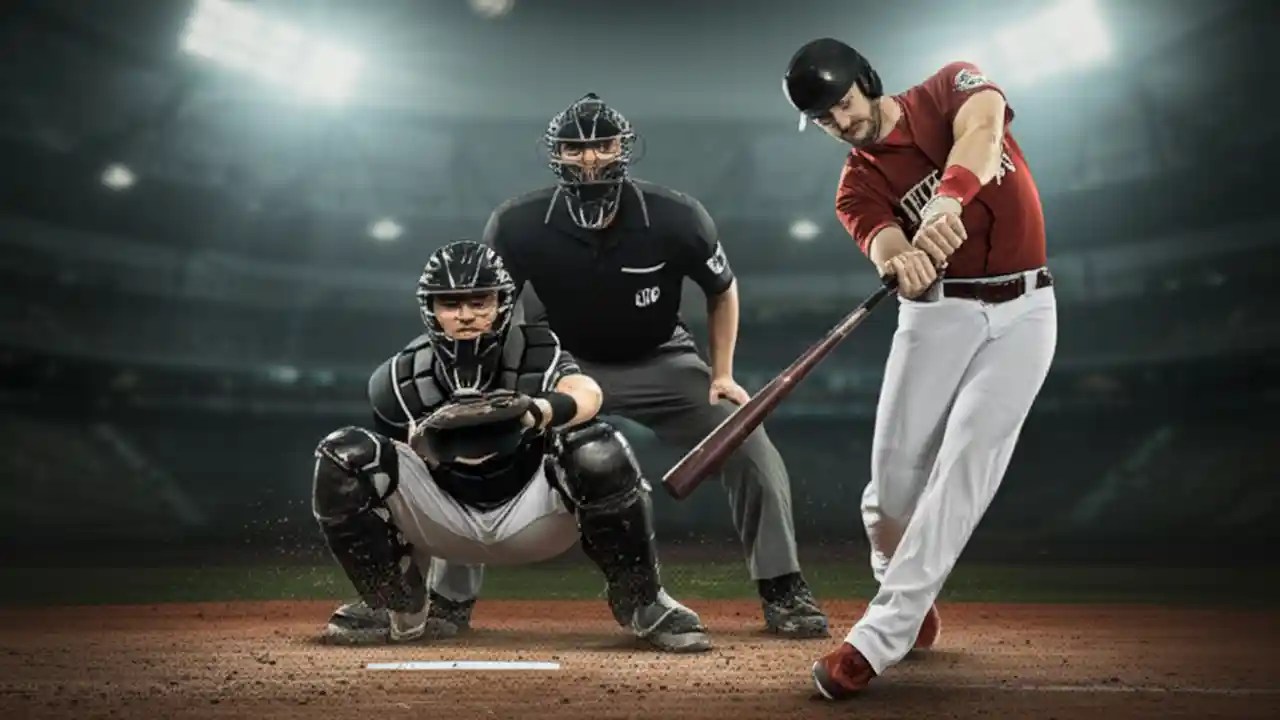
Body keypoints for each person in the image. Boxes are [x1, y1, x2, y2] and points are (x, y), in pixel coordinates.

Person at [446, 92, 827, 638]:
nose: (590, 159)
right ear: (556, 154)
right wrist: (494, 383)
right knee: (478, 442)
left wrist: (721, 373)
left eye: (601, 144)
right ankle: (447, 601)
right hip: (560, 365)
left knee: (749, 442)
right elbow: (492, 306)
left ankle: (784, 589)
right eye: (576, 148)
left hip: (662, 362)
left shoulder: (677, 215)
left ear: (624, 148)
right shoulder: (516, 223)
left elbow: (723, 289)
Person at [781, 39, 1058, 697]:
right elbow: (885, 244)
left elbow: (983, 131)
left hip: (1026, 312)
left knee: (965, 463)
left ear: (866, 81)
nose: (841, 124)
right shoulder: (857, 184)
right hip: (938, 316)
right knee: (892, 492)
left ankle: (878, 638)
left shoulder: (948, 85)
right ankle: (896, 569)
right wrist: (902, 263)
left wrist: (948, 198)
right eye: (825, 119)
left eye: (843, 104)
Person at [313, 240, 710, 653]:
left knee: (597, 447)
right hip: (444, 520)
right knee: (344, 455)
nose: (465, 315)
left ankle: (643, 602)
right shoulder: (397, 379)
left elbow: (589, 394)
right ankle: (394, 604)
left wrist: (536, 412)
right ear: (430, 309)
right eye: (449, 303)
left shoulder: (536, 350)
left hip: (533, 515)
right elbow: (392, 504)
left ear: (502, 302)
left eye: (478, 301)